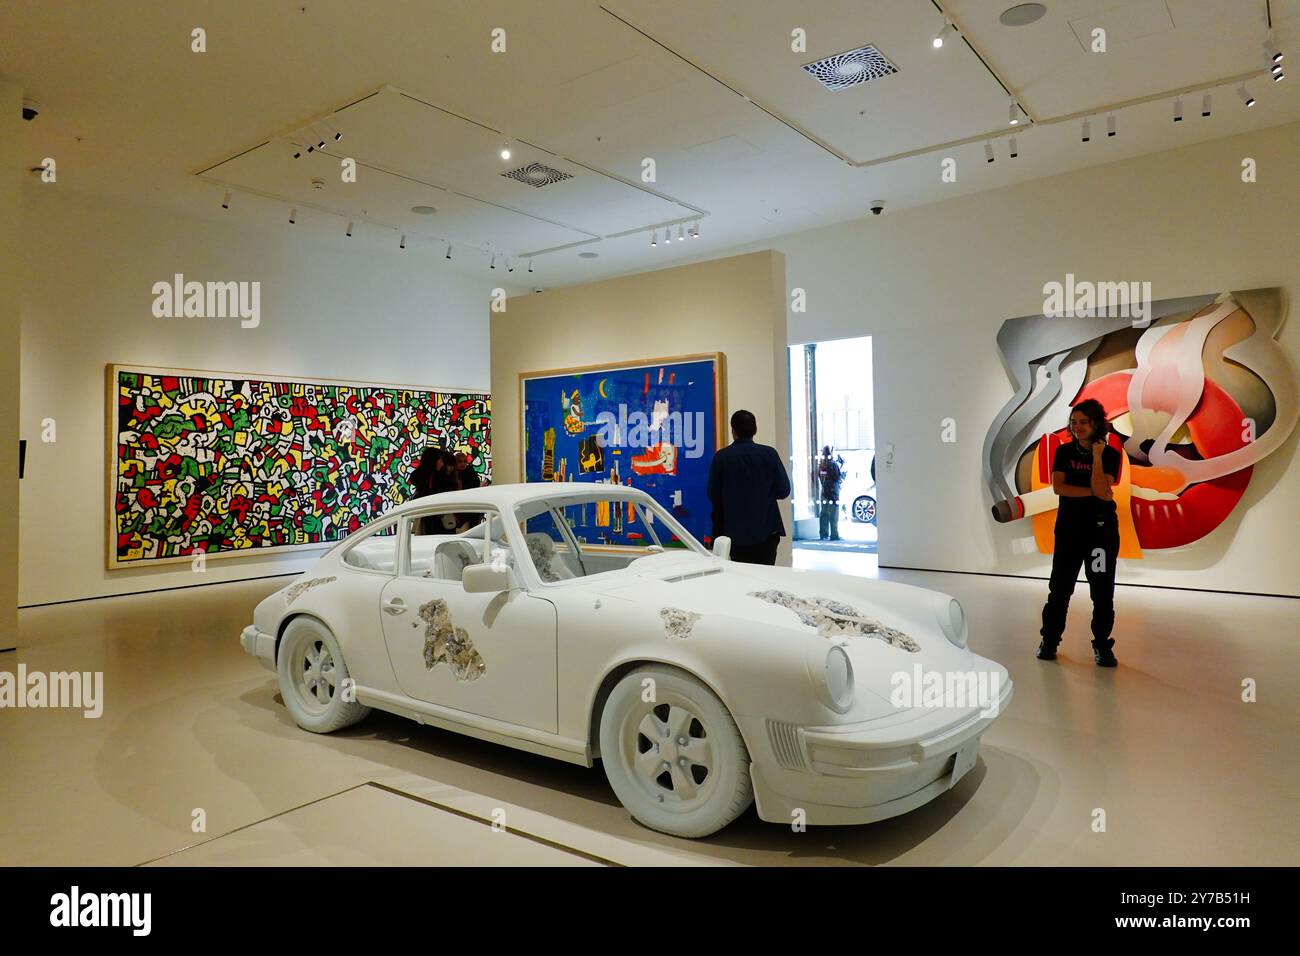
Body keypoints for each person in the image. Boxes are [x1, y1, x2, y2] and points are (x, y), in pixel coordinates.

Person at [1038, 398, 1121, 667]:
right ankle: (1049, 641)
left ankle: (1101, 646)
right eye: (1074, 422)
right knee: (1059, 590)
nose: (1077, 427)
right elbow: (1059, 488)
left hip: (1101, 534)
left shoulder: (1110, 455)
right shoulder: (1063, 452)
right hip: (1069, 532)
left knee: (1102, 591)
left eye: (1083, 422)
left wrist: (1096, 457)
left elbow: (1103, 486)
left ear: (1096, 424)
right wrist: (1095, 493)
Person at [707, 409, 791, 565]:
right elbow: (784, 491)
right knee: (765, 579)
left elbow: (713, 494)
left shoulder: (722, 457)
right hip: (766, 533)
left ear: (733, 430)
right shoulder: (769, 454)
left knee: (740, 579)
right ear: (755, 430)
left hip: (733, 535)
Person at [816, 445, 842, 541]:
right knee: (833, 515)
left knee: (824, 514)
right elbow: (837, 477)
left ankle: (823, 534)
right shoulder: (833, 465)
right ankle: (834, 535)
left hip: (824, 493)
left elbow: (820, 477)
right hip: (833, 493)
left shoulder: (821, 466)